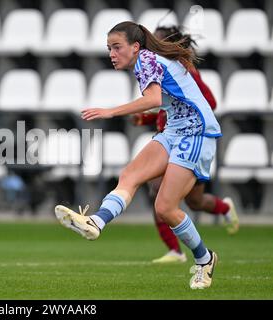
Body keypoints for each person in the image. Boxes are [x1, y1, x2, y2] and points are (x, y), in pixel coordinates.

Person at [54, 21, 221, 290]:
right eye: (109, 48)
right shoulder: (147, 60)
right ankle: (95, 222)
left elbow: (154, 99)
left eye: (116, 47)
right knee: (129, 175)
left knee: (165, 208)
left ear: (135, 47)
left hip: (196, 134)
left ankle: (204, 259)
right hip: (175, 129)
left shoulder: (145, 60)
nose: (111, 53)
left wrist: (110, 111)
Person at [130, 26, 239, 264]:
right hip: (168, 140)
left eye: (155, 41)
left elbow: (208, 102)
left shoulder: (186, 72)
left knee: (195, 202)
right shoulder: (157, 67)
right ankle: (175, 251)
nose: (149, 46)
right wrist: (148, 118)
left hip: (190, 142)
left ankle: (224, 209)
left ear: (166, 44)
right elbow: (166, 105)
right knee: (157, 190)